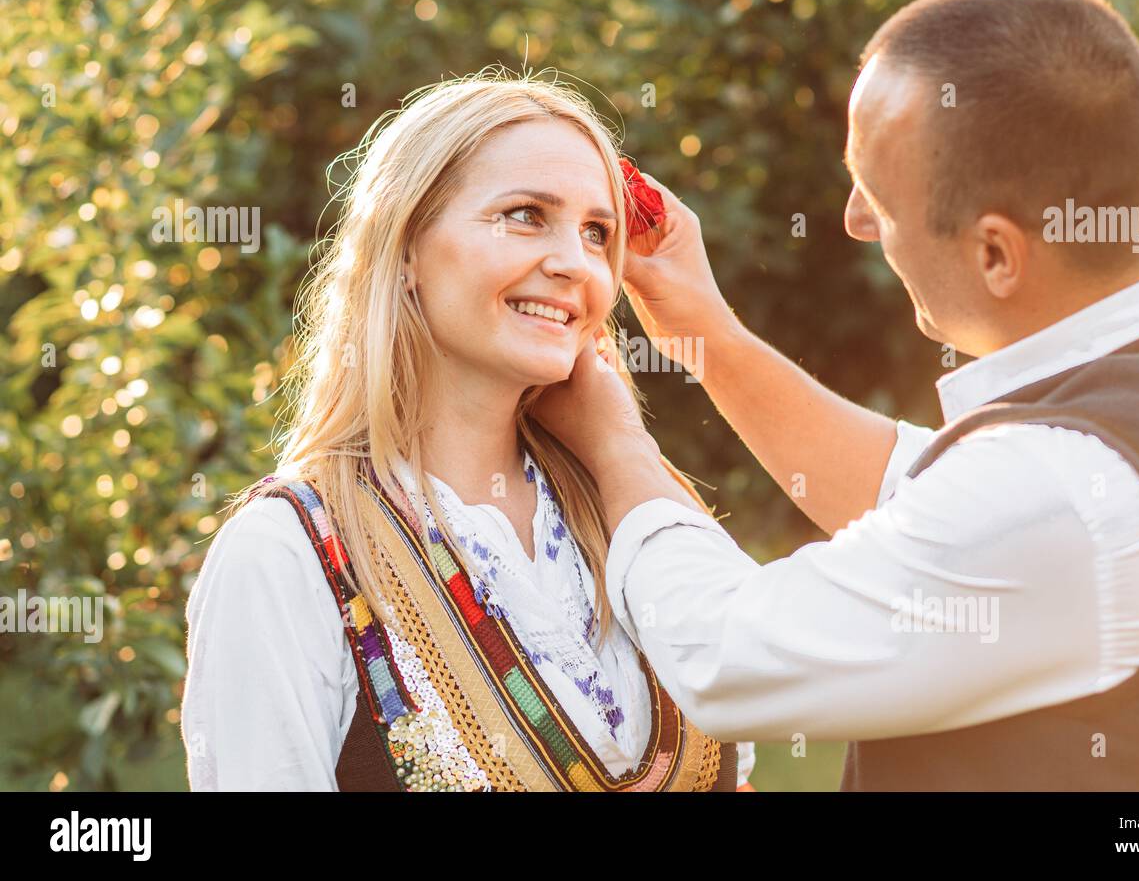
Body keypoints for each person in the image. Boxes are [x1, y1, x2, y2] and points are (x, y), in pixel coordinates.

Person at [534, 0, 1139, 790]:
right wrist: (709, 336)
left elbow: (725, 655)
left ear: (996, 254)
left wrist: (615, 441)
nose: (855, 220)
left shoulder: (1061, 490)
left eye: (880, 199)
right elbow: (916, 491)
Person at [180, 72, 753, 791]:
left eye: (597, 232)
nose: (574, 261)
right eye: (523, 214)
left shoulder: (637, 514)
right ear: (409, 247)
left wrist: (624, 444)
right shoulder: (286, 555)